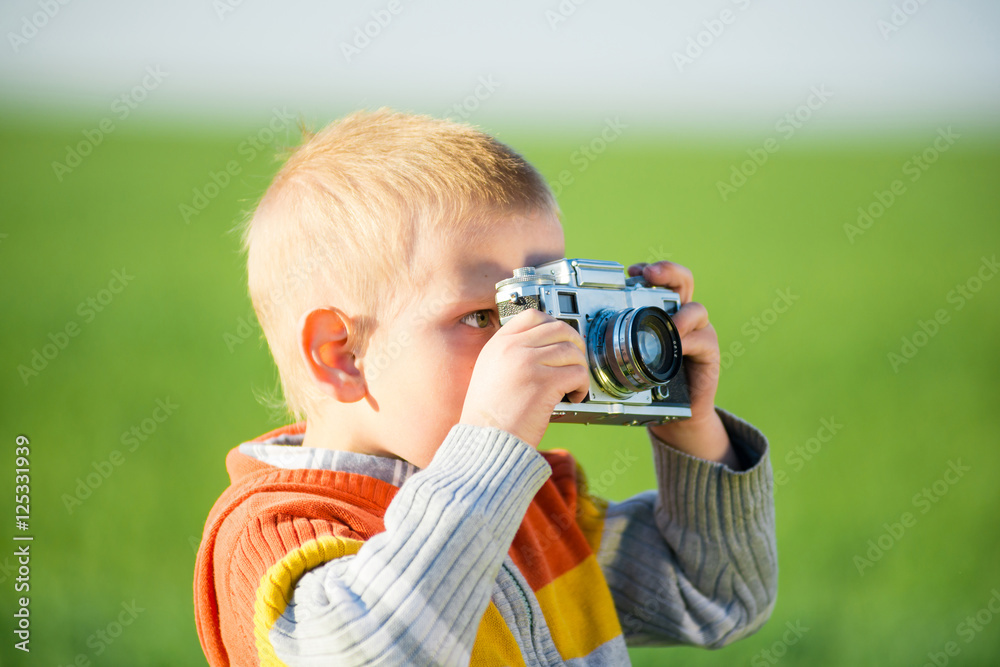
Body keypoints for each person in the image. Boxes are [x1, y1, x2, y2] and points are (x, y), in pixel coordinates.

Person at [193, 109, 777, 666]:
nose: (530, 341)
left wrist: (689, 426)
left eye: (544, 306)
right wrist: (489, 450)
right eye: (482, 316)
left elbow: (718, 599)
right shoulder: (274, 533)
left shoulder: (539, 511)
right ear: (342, 355)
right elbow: (375, 652)